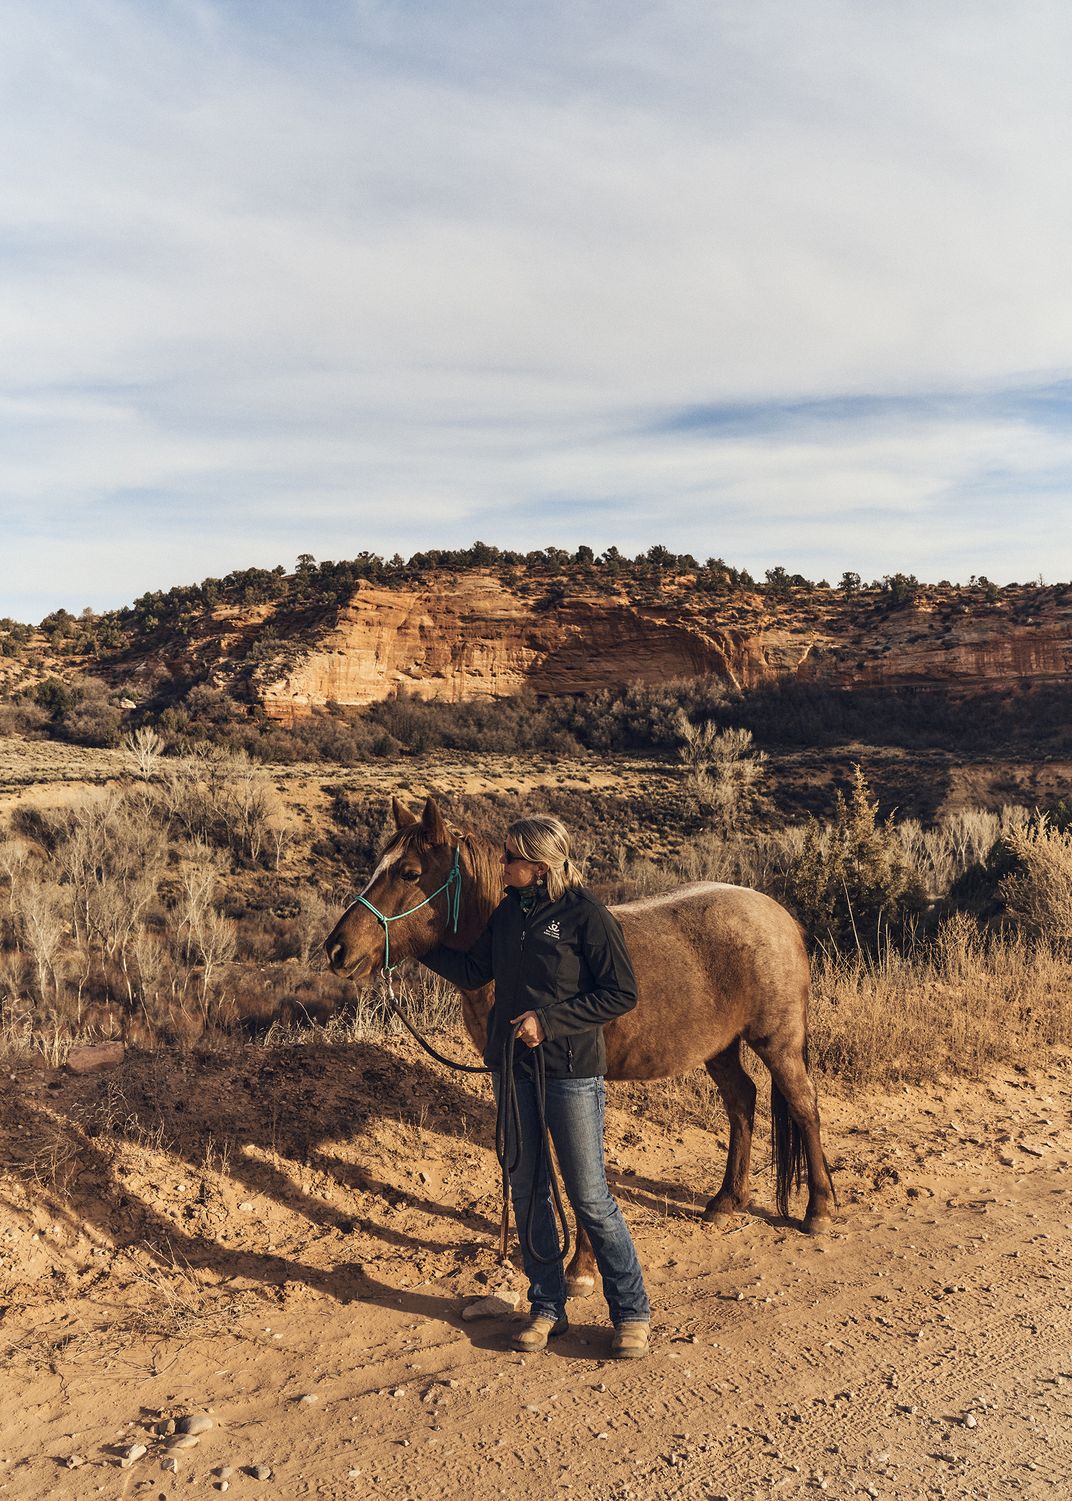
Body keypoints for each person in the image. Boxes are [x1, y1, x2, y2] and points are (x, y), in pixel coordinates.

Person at [419, 814, 651, 1359]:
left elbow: (621, 993)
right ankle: (547, 1306)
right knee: (527, 1191)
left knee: (590, 1196)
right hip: (512, 1069)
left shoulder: (585, 915)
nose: (501, 865)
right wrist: (412, 945)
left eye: (511, 859)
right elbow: (475, 971)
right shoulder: (508, 913)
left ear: (538, 867)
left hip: (571, 1073)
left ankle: (631, 1312)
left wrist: (549, 1022)